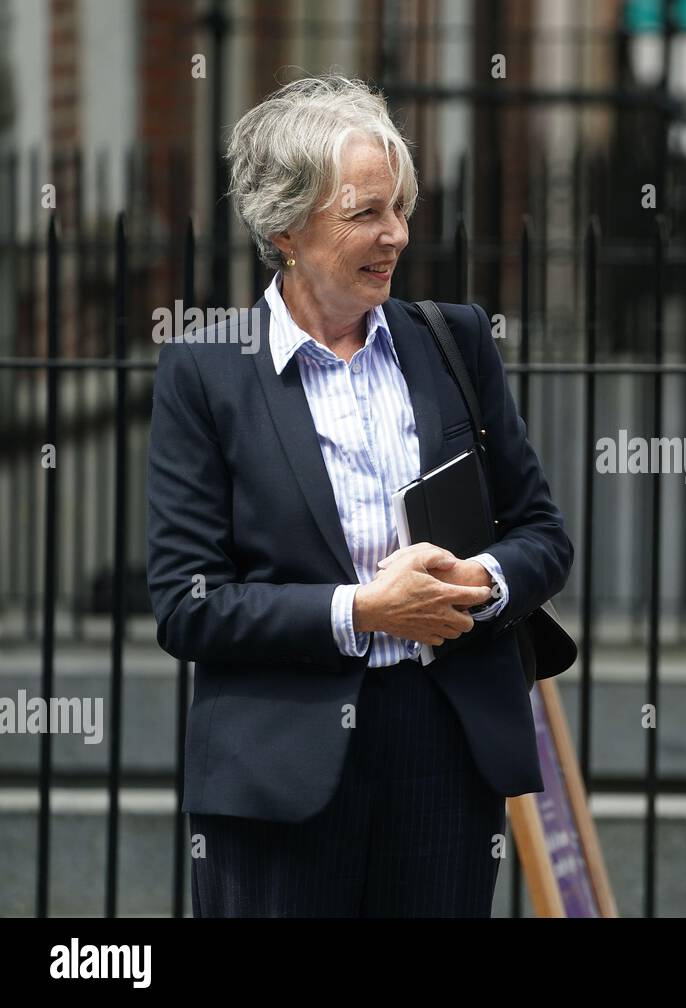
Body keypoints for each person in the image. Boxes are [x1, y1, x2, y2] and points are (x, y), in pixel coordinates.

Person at [146, 75, 573, 917]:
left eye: (401, 208)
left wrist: (481, 584)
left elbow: (542, 535)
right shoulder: (205, 371)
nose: (396, 235)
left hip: (442, 752)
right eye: (366, 213)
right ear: (284, 227)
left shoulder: (454, 342)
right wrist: (363, 611)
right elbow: (187, 606)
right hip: (279, 769)